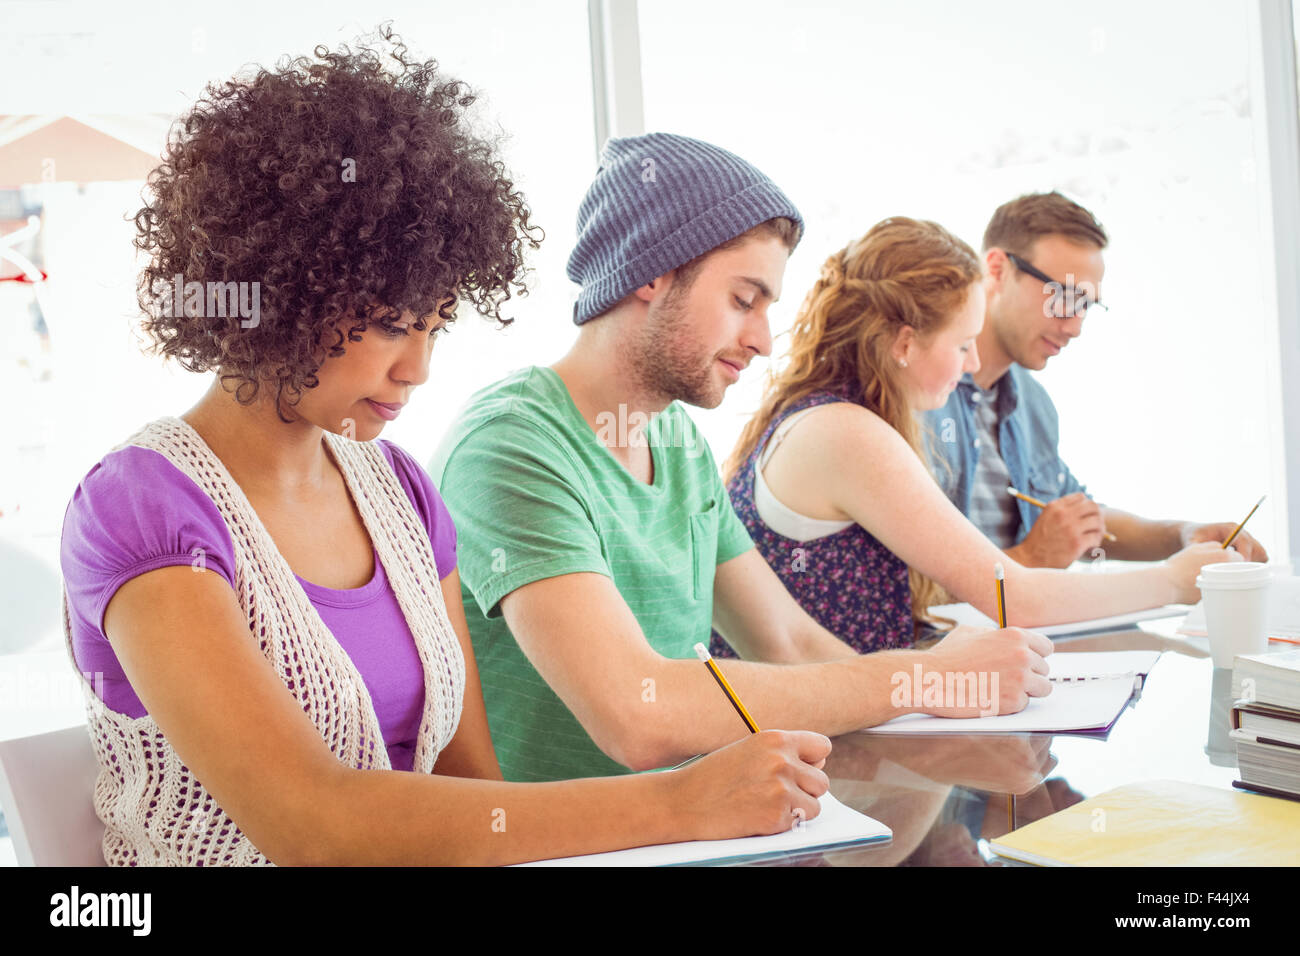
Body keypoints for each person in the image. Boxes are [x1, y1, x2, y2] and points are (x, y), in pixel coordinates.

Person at [58, 31, 832, 867]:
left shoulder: (401, 493)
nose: (418, 368)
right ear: (279, 292)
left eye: (434, 327)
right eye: (392, 324)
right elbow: (313, 823)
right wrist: (679, 801)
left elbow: (478, 799)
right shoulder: (143, 507)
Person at [430, 133, 1055, 785]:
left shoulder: (675, 442)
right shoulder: (509, 446)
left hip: (694, 835)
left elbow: (787, 643)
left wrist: (932, 727)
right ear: (652, 271)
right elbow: (637, 716)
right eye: (742, 300)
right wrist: (922, 677)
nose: (760, 340)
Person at [709, 217, 1236, 657]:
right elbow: (1015, 597)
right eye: (963, 346)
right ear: (905, 343)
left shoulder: (834, 418)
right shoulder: (844, 432)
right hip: (822, 741)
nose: (975, 363)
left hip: (848, 719)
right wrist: (1174, 580)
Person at [922, 192, 1267, 568]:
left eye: (1086, 305)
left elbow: (1080, 520)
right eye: (1064, 296)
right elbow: (906, 585)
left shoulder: (1032, 405)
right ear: (998, 269)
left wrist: (1182, 535)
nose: (1074, 327)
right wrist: (1031, 557)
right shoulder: (918, 393)